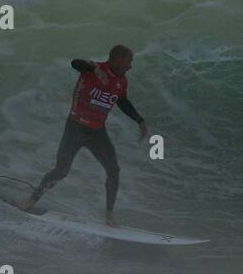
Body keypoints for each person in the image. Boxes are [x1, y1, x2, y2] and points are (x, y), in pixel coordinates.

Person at [17, 45, 149, 227]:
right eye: (128, 61)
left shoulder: (122, 81)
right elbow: (75, 63)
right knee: (62, 170)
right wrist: (95, 69)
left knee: (113, 170)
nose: (130, 66)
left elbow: (123, 101)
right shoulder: (92, 69)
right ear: (117, 59)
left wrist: (139, 120)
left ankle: (109, 214)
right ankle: (32, 198)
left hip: (97, 132)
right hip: (75, 128)